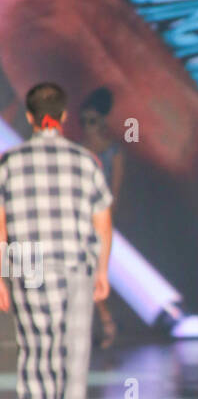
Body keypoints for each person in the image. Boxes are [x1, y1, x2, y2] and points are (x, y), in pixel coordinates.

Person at [0, 82, 112, 399]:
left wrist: (1, 276)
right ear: (64, 117)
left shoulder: (9, 163)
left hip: (28, 259)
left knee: (36, 347)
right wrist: (103, 272)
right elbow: (103, 223)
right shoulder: (85, 161)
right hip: (75, 258)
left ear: (30, 117)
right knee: (74, 350)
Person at [79, 87, 124, 347]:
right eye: (83, 121)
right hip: (77, 221)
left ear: (103, 122)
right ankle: (104, 324)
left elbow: (115, 191)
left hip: (102, 222)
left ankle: (107, 323)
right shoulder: (78, 151)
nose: (87, 127)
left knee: (98, 274)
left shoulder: (113, 152)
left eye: (92, 121)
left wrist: (108, 224)